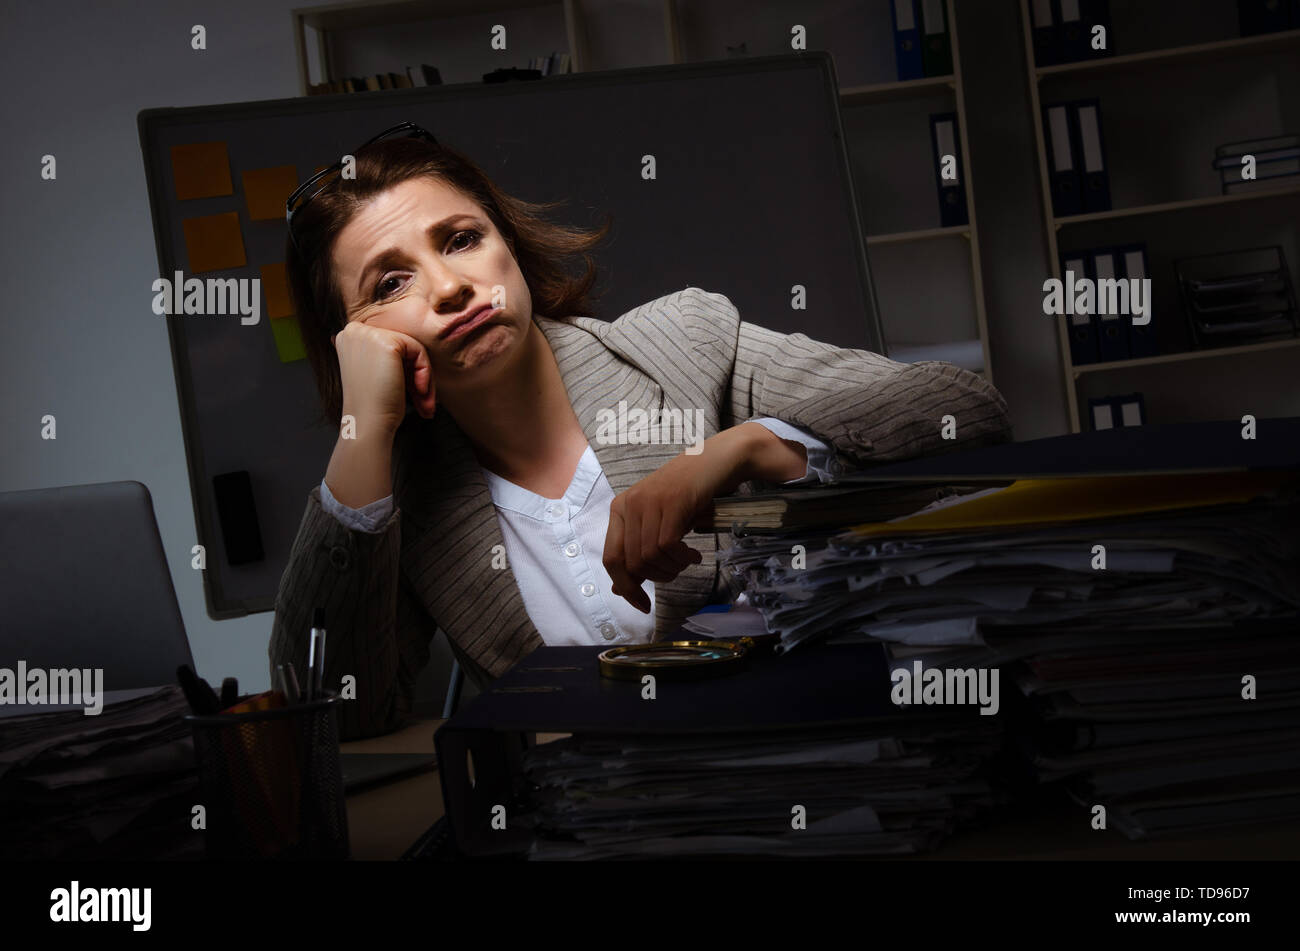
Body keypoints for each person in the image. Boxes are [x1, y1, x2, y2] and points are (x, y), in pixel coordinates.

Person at [269, 123, 1012, 739]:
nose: (450, 285)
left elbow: (965, 414)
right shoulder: (397, 502)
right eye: (390, 284)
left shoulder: (683, 342)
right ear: (353, 339)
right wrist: (361, 431)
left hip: (823, 768)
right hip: (605, 825)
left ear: (509, 245)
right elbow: (329, 710)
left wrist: (746, 446)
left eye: (460, 238)